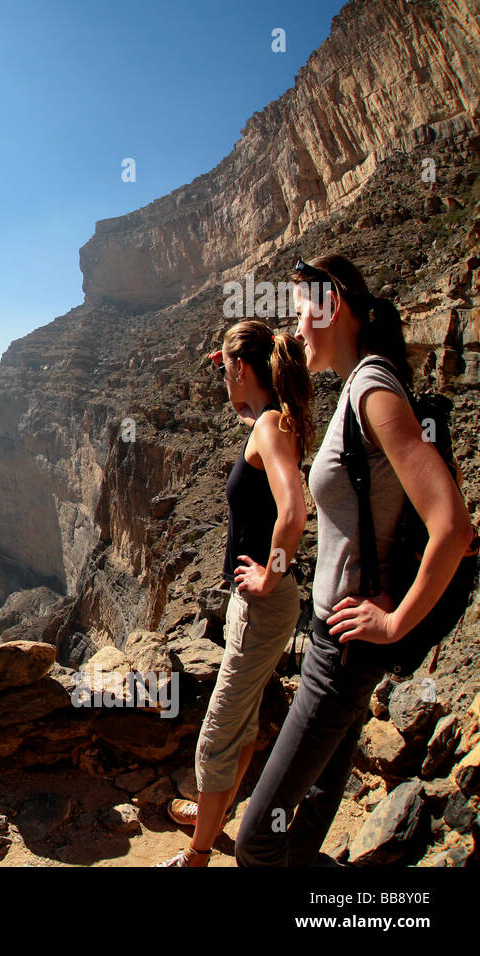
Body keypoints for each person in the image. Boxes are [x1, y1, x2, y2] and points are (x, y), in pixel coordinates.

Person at [234, 254, 473, 866]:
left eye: (300, 311)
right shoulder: (356, 389)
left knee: (257, 840)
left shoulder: (372, 389)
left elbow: (453, 525)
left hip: (341, 653)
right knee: (308, 814)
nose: (294, 328)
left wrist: (393, 623)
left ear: (332, 305)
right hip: (335, 641)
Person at [159, 319, 315, 867]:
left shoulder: (271, 426)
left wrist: (269, 575)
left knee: (217, 732)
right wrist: (222, 363)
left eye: (225, 370)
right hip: (269, 606)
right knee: (244, 724)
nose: (220, 380)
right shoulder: (272, 417)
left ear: (243, 369)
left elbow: (294, 513)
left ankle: (198, 852)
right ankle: (216, 814)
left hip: (264, 604)